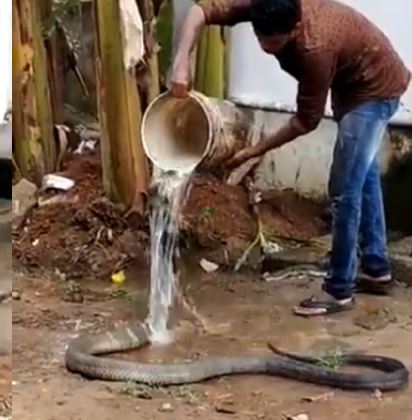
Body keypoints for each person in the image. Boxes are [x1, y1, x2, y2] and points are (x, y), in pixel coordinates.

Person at [170, 0, 410, 316]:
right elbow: (200, 10)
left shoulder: (315, 48)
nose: (264, 46)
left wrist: (254, 150)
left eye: (273, 41)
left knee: (343, 190)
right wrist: (180, 63)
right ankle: (376, 269)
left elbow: (306, 121)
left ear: (295, 30)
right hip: (352, 82)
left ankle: (338, 289)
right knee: (361, 174)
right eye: (259, 36)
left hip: (374, 90)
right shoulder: (265, 5)